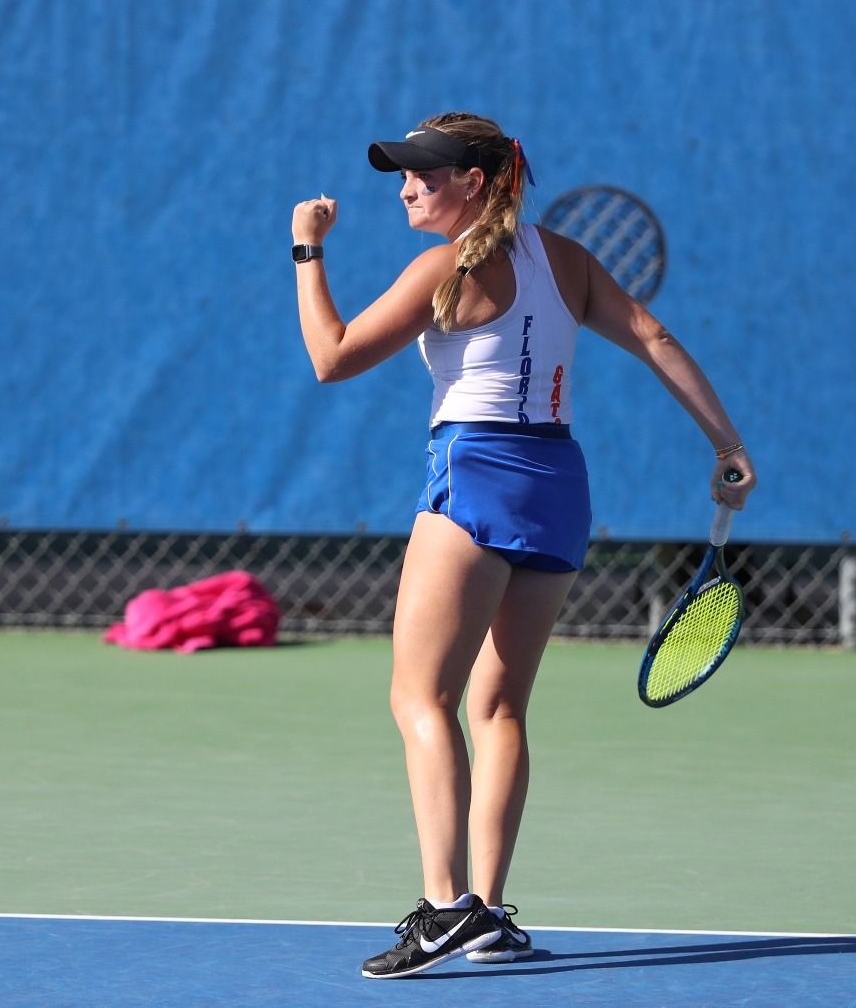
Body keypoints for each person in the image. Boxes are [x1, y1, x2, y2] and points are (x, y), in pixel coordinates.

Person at [289, 113, 756, 979]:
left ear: (475, 181)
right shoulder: (567, 260)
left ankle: (442, 909)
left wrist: (305, 251)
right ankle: (491, 915)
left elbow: (332, 355)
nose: (406, 187)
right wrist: (728, 447)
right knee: (497, 708)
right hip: (557, 486)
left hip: (476, 472)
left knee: (419, 698)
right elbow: (652, 335)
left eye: (423, 174)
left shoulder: (445, 268)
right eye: (402, 173)